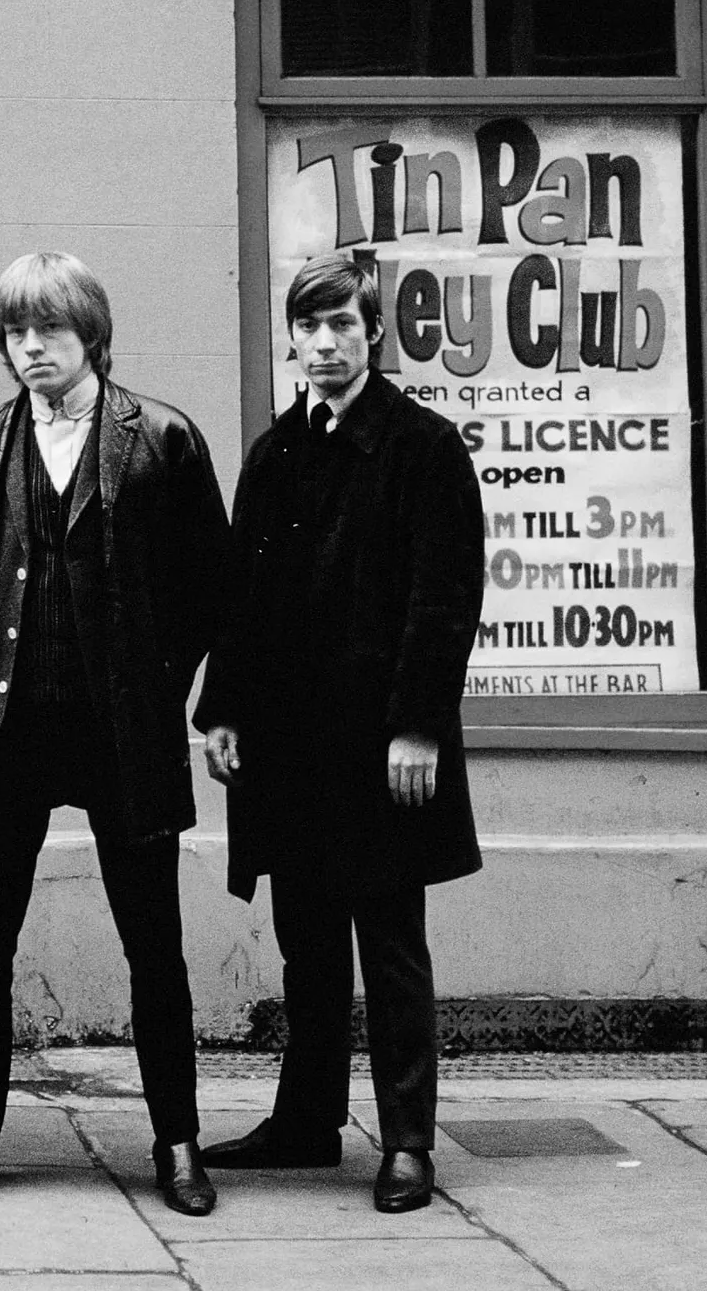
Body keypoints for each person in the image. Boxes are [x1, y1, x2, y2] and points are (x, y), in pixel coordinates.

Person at [0, 252, 230, 1213]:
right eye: (16, 332)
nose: (31, 348)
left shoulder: (163, 439)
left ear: (90, 334)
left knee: (154, 942)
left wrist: (158, 683)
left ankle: (177, 1145)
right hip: (8, 730)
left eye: (49, 331)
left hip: (119, 732)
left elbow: (210, 590)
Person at [195, 252, 485, 1214]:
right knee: (307, 944)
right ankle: (307, 1122)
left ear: (372, 336)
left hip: (378, 750)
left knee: (391, 946)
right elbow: (239, 599)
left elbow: (442, 604)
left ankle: (407, 1142)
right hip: (291, 752)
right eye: (309, 329)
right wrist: (223, 708)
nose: (324, 345)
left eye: (343, 329)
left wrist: (417, 730)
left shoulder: (423, 448)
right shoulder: (276, 452)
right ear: (292, 338)